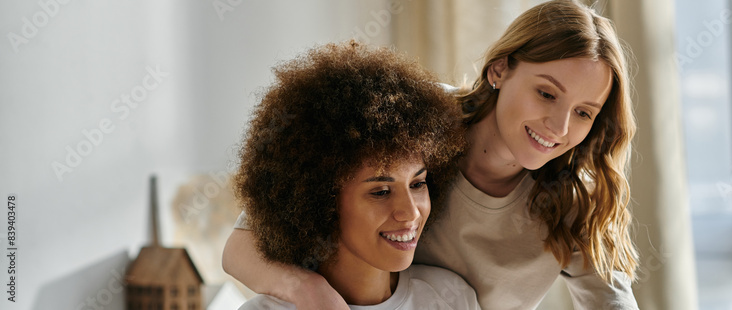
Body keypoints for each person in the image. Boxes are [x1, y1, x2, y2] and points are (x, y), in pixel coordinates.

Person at [224, 1, 641, 309]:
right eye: (546, 93)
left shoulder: (574, 204)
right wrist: (313, 295)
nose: (560, 127)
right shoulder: (410, 123)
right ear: (499, 69)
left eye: (584, 113)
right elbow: (240, 247)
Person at [231, 41, 478, 310]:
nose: (411, 213)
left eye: (417, 184)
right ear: (322, 203)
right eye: (381, 191)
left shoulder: (452, 298)